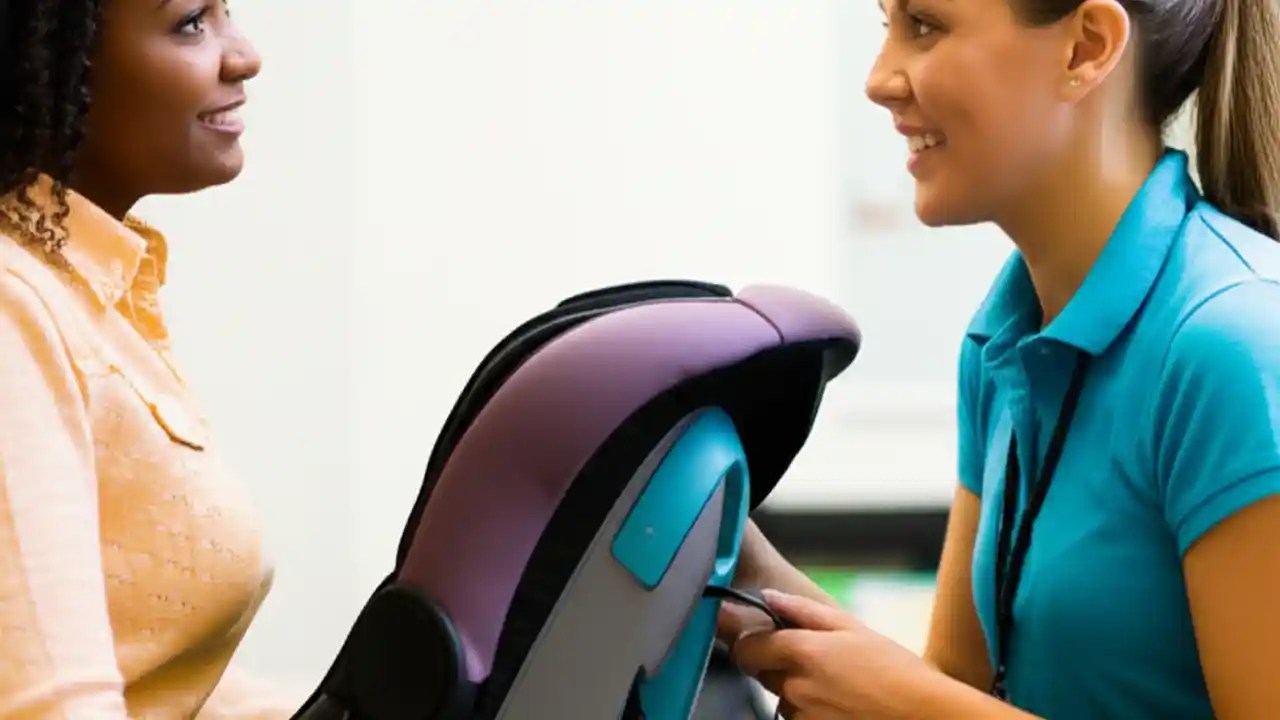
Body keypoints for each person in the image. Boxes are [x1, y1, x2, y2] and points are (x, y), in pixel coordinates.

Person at [719, 0, 1280, 717]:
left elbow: (927, 708)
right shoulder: (1000, 339)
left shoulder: (1234, 342)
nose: (880, 78)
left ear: (1085, 48)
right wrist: (751, 572)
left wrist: (911, 707)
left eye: (924, 26)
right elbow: (959, 689)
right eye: (884, 26)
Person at [0, 1, 292, 717]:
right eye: (191, 22)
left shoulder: (77, 288)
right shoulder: (11, 311)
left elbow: (158, 679)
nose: (244, 55)